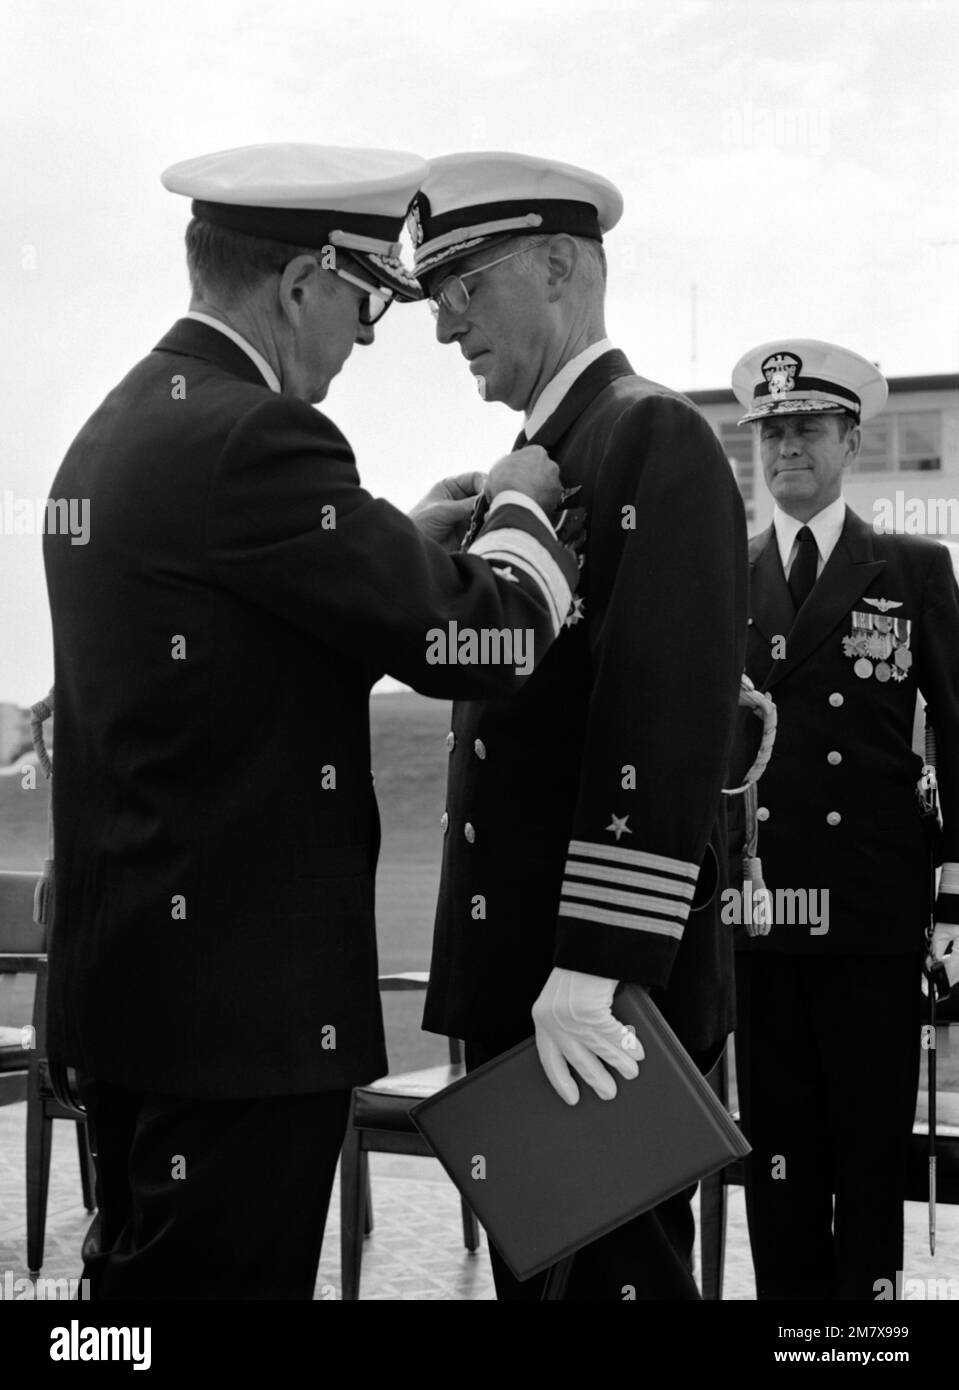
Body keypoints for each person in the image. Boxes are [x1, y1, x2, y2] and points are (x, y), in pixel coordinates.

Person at [42, 143, 579, 1300]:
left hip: (135, 996)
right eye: (365, 302)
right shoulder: (259, 436)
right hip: (239, 1027)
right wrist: (523, 512)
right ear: (298, 286)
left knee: (132, 1304)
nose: (368, 336)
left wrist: (395, 536)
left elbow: (252, 609)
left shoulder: (126, 424)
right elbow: (479, 639)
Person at [411, 152, 748, 1300]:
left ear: (559, 266)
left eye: (467, 283)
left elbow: (660, 715)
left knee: (615, 1287)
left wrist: (592, 962)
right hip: (531, 970)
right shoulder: (533, 466)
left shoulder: (649, 437)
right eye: (435, 291)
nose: (446, 322)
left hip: (599, 986)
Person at [728, 338, 959, 1300]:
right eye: (771, 432)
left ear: (850, 441)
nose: (786, 448)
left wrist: (953, 907)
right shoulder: (721, 574)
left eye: (807, 429)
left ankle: (864, 1332)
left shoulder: (910, 568)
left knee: (867, 1150)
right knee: (776, 1151)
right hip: (762, 910)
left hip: (869, 909)